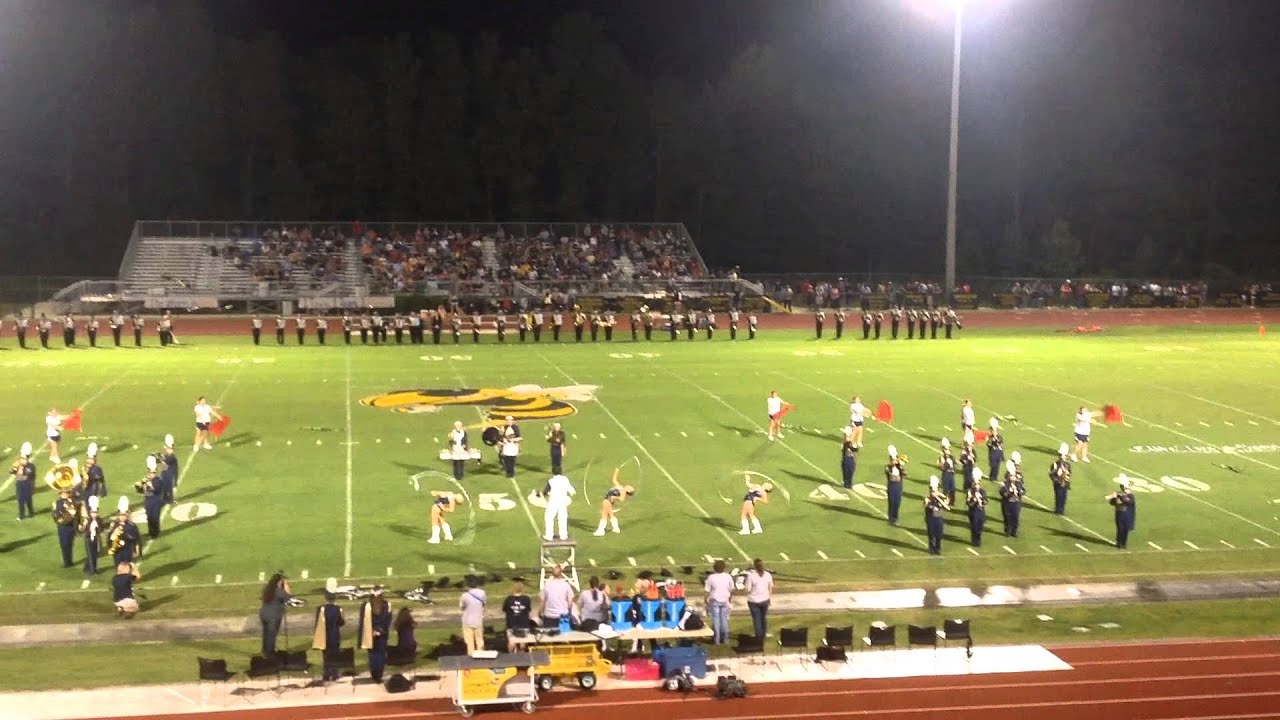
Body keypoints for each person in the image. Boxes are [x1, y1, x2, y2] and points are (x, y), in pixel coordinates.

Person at [359, 587, 393, 681]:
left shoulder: (366, 605)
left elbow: (363, 621)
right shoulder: (387, 605)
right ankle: (379, 675)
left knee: (373, 655)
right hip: (383, 633)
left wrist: (372, 630)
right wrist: (380, 630)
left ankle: (374, 675)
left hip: (370, 634)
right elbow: (388, 620)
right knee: (381, 655)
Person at [313, 591, 345, 681]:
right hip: (334, 634)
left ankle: (326, 674)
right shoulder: (338, 608)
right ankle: (335, 674)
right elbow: (341, 623)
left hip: (324, 634)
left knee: (325, 655)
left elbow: (318, 623)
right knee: (334, 654)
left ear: (325, 598)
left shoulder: (320, 608)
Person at [258, 572, 292, 656]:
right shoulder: (278, 591)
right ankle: (270, 653)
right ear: (279, 581)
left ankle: (265, 651)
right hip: (274, 616)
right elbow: (289, 597)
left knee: (266, 633)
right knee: (272, 635)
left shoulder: (266, 588)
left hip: (264, 614)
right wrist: (286, 584)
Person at [594, 468, 634, 536]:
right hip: (608, 500)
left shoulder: (623, 491)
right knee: (610, 514)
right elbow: (614, 480)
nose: (629, 486)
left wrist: (614, 497)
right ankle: (616, 528)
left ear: (628, 491)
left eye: (630, 488)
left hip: (608, 500)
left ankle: (600, 531)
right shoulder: (620, 487)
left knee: (604, 514)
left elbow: (621, 499)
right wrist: (616, 471)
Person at [703, 559, 734, 645]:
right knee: (724, 620)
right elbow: (731, 589)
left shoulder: (711, 577)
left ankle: (717, 639)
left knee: (716, 620)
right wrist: (730, 600)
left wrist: (705, 600)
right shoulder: (728, 576)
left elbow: (707, 590)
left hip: (714, 600)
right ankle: (725, 639)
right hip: (725, 600)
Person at [537, 565, 575, 629]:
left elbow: (542, 601)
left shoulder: (547, 585)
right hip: (563, 616)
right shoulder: (566, 585)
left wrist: (540, 613)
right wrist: (569, 612)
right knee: (564, 635)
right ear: (561, 574)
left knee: (549, 636)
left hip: (549, 616)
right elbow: (570, 602)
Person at [135, 455, 163, 539]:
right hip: (148, 501)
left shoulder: (158, 480)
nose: (152, 474)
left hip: (155, 501)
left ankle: (155, 533)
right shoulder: (145, 479)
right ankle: (150, 532)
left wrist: (151, 486)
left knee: (155, 517)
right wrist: (139, 485)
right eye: (151, 472)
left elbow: (158, 490)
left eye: (153, 473)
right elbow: (140, 490)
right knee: (149, 517)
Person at [744, 558, 773, 639]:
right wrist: (769, 597)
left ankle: (758, 636)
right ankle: (763, 634)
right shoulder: (768, 575)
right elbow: (770, 588)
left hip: (753, 601)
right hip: (765, 599)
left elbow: (748, 590)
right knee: (763, 617)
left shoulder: (751, 576)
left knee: (757, 619)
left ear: (755, 567)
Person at [53, 487, 81, 568]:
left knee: (71, 544)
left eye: (67, 493)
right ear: (61, 494)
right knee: (65, 545)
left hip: (73, 526)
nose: (66, 495)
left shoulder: (74, 501)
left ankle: (70, 560)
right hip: (63, 527)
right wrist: (70, 514)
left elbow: (79, 514)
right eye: (64, 493)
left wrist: (79, 523)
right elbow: (57, 516)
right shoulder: (58, 503)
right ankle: (67, 561)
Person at [542, 473, 575, 541]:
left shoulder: (551, 481)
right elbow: (572, 491)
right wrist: (570, 494)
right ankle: (563, 536)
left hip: (553, 502)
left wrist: (544, 495)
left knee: (549, 517)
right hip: (562, 502)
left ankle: (549, 535)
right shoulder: (565, 479)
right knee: (562, 518)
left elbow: (545, 492)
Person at [1107, 476, 1137, 550]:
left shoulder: (1130, 496)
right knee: (1120, 529)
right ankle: (1119, 543)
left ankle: (1124, 543)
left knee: (1126, 530)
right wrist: (1114, 497)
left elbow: (1128, 501)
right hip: (1119, 514)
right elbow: (1112, 503)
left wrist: (1120, 496)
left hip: (1127, 515)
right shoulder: (1119, 494)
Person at [502, 582, 533, 650]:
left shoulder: (508, 599)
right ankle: (522, 653)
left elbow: (504, 610)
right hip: (524, 624)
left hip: (511, 624)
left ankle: (511, 655)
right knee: (523, 641)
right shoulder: (526, 599)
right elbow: (528, 610)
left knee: (511, 641)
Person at [999, 460, 1024, 538]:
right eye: (1012, 476)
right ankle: (1007, 531)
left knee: (1015, 517)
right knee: (1007, 518)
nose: (1013, 477)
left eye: (1014, 476)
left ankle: (1014, 531)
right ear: (1009, 476)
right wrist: (1010, 492)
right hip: (1007, 503)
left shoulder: (1018, 483)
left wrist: (1018, 491)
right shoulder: (1004, 484)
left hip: (1016, 503)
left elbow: (1023, 491)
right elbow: (1003, 493)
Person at [11, 442, 36, 520]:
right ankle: (21, 515)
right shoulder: (17, 465)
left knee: (28, 500)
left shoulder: (31, 467)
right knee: (20, 500)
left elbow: (26, 478)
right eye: (21, 459)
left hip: (28, 485)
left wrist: (20, 471)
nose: (22, 460)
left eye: (23, 459)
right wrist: (15, 468)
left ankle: (31, 512)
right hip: (20, 485)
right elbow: (11, 471)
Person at [924, 477, 949, 555]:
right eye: (932, 491)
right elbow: (926, 505)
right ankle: (931, 548)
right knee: (931, 534)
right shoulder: (927, 499)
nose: (933, 492)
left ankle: (938, 548)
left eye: (935, 491)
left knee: (939, 534)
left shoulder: (941, 498)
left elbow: (947, 505)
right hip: (931, 518)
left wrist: (940, 496)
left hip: (939, 518)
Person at [81, 494, 103, 575]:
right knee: (90, 554)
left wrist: (98, 525)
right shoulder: (87, 520)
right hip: (88, 539)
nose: (94, 514)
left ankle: (89, 567)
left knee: (95, 554)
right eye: (93, 513)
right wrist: (85, 524)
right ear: (90, 513)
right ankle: (92, 570)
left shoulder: (99, 520)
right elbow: (83, 530)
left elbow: (101, 529)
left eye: (95, 512)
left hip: (96, 538)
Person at [965, 468, 987, 547]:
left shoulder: (983, 491)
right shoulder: (970, 492)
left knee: (980, 527)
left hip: (981, 511)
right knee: (974, 526)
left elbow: (986, 501)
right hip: (973, 511)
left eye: (978, 484)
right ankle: (975, 541)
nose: (977, 485)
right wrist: (974, 500)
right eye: (976, 484)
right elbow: (968, 503)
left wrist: (981, 500)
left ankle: (978, 538)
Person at [885, 445, 906, 526]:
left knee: (897, 502)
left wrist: (900, 466)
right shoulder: (888, 467)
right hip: (892, 486)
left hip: (898, 486)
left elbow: (904, 474)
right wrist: (893, 465)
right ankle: (891, 518)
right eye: (893, 459)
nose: (895, 460)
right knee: (892, 502)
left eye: (895, 459)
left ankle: (895, 517)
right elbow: (888, 471)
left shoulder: (899, 467)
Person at [1050, 443, 1073, 514]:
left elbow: (1069, 473)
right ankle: (1058, 509)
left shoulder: (1067, 465)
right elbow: (1051, 474)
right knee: (1058, 496)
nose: (1065, 457)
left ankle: (1062, 509)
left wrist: (1066, 475)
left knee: (1064, 497)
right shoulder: (1055, 464)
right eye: (1063, 455)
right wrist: (1057, 476)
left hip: (1065, 483)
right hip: (1058, 483)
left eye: (1065, 455)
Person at [939, 437, 957, 506]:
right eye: (946, 449)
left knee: (953, 488)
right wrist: (943, 459)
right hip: (946, 474)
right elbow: (941, 466)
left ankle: (952, 501)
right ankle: (944, 500)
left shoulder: (951, 457)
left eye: (948, 449)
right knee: (945, 489)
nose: (948, 451)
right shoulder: (942, 457)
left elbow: (955, 464)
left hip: (951, 474)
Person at [986, 417, 1005, 483]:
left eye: (996, 431)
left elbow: (1000, 444)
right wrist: (992, 439)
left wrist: (1002, 455)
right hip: (993, 453)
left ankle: (995, 477)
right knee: (993, 465)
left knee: (997, 465)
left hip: (998, 452)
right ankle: (992, 477)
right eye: (993, 431)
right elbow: (989, 444)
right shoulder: (990, 438)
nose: (995, 432)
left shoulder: (999, 437)